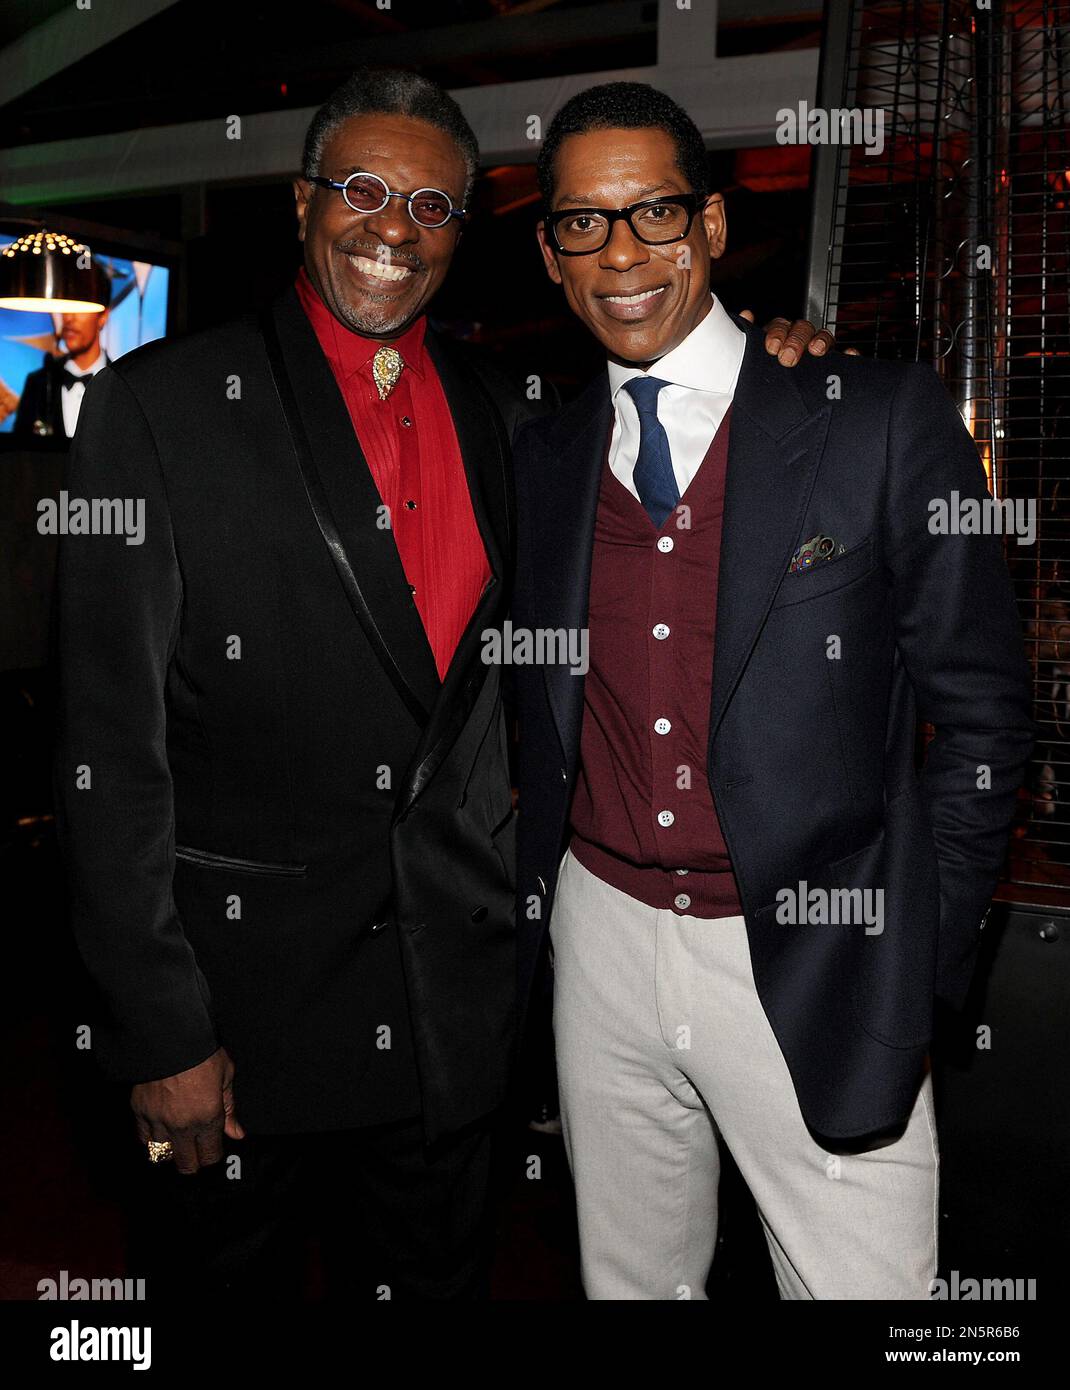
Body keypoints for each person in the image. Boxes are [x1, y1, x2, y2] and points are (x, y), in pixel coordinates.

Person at [53, 65, 827, 1301]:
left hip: (447, 1019)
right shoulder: (161, 411)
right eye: (361, 190)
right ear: (301, 204)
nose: (391, 229)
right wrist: (160, 1030)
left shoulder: (510, 416)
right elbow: (109, 753)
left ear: (464, 235)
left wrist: (774, 358)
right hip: (239, 1024)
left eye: (432, 206)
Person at [510, 81, 1035, 1300]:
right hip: (597, 934)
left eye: (652, 212)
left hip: (816, 945)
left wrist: (917, 951)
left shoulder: (877, 420)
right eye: (582, 223)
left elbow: (982, 716)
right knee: (630, 1287)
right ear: (548, 254)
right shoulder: (539, 451)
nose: (621, 251)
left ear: (707, 227)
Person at [15, 308, 110, 440]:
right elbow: (18, 454)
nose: (68, 318)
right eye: (65, 308)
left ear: (103, 316)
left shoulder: (123, 386)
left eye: (80, 307)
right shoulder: (38, 383)